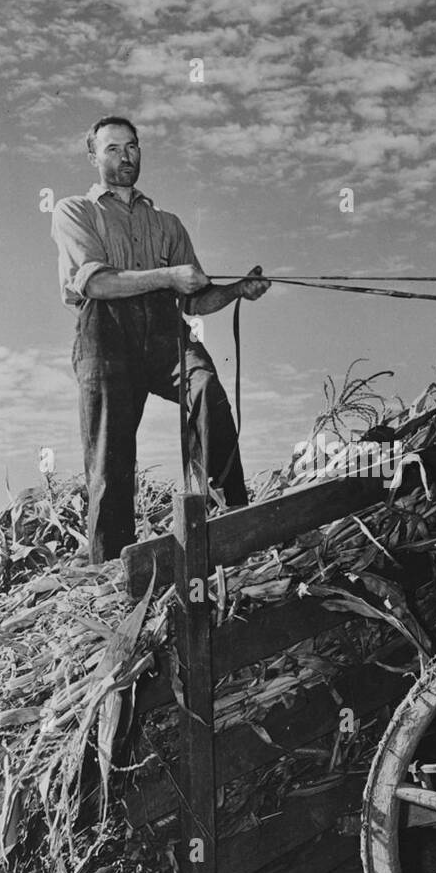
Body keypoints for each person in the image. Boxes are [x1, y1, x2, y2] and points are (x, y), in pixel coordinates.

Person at [51, 115, 269, 562]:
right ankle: (112, 566)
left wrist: (235, 290)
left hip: (164, 331)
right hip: (104, 332)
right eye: (112, 149)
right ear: (93, 156)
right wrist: (170, 275)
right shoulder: (75, 210)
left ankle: (224, 523)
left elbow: (194, 300)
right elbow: (96, 283)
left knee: (207, 389)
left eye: (132, 146)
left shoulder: (167, 223)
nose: (125, 156)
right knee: (111, 450)